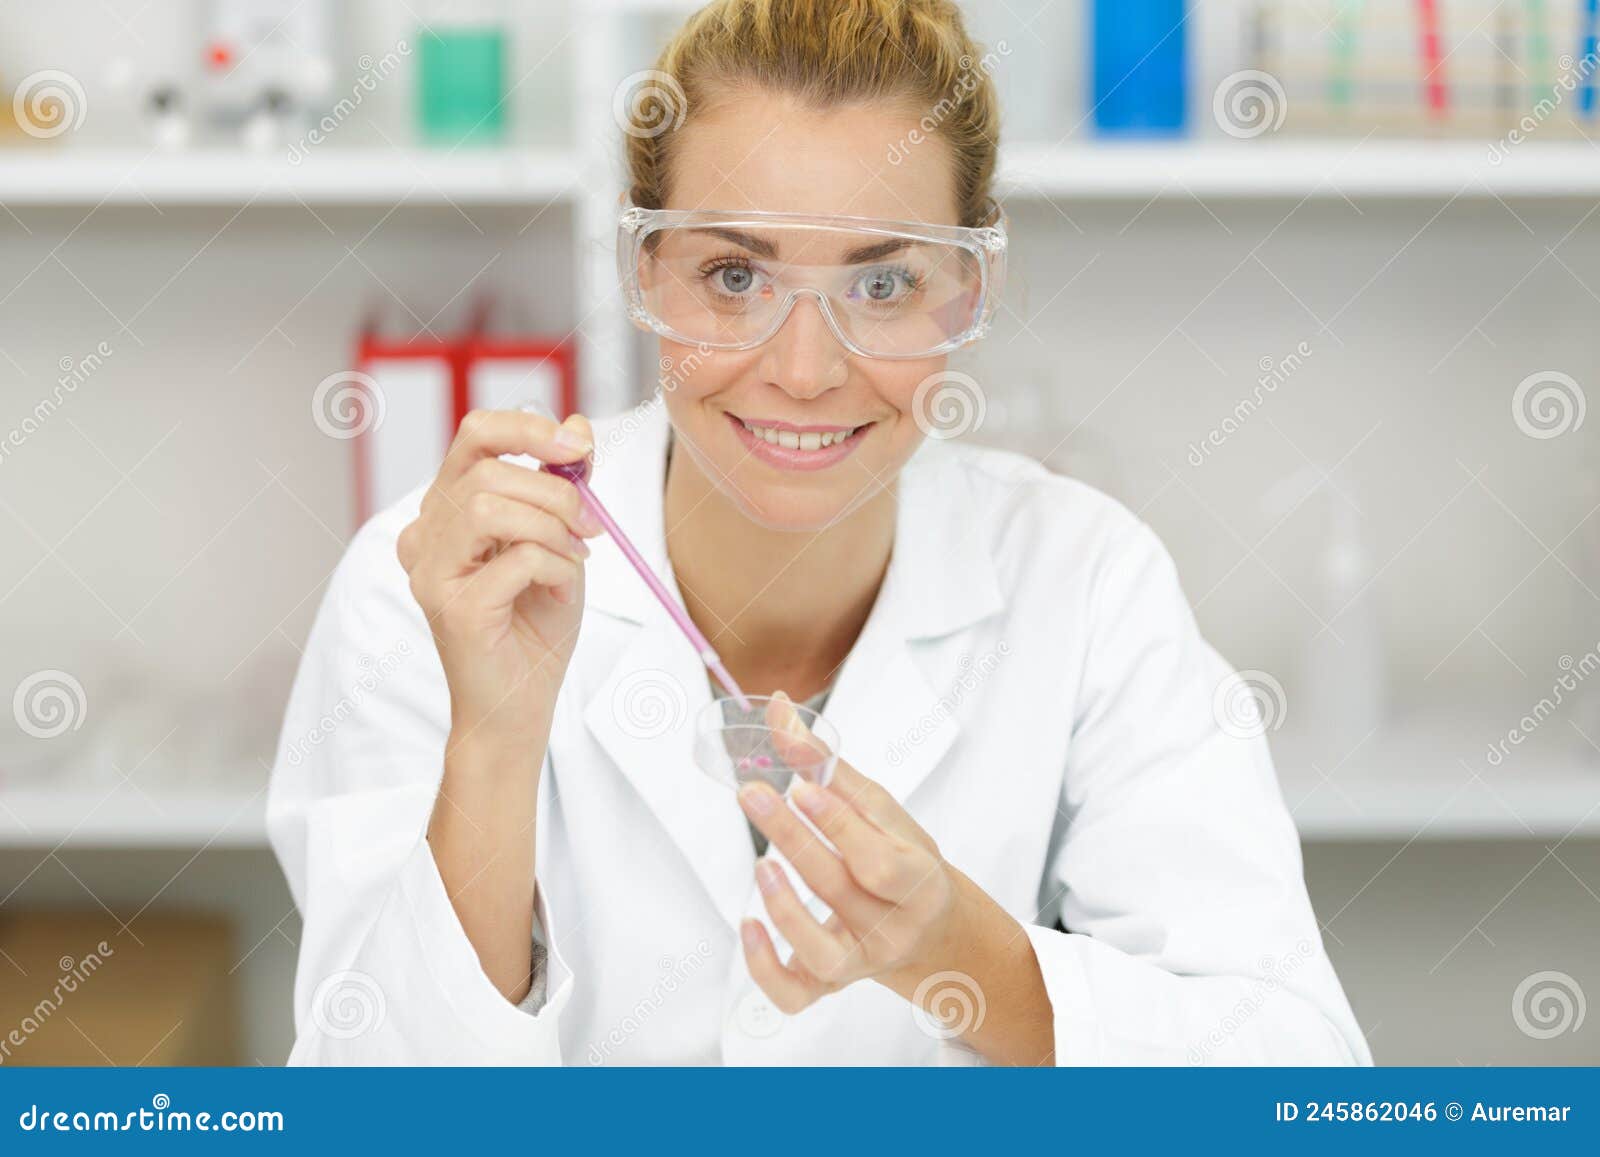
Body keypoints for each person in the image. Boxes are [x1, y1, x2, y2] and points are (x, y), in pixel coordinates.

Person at [268, 0, 1371, 1066]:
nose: (803, 371)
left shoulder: (1082, 579)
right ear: (644, 271)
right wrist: (494, 747)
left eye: (883, 282)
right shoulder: (439, 582)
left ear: (967, 288)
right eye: (734, 276)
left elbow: (1297, 1072)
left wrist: (958, 951)